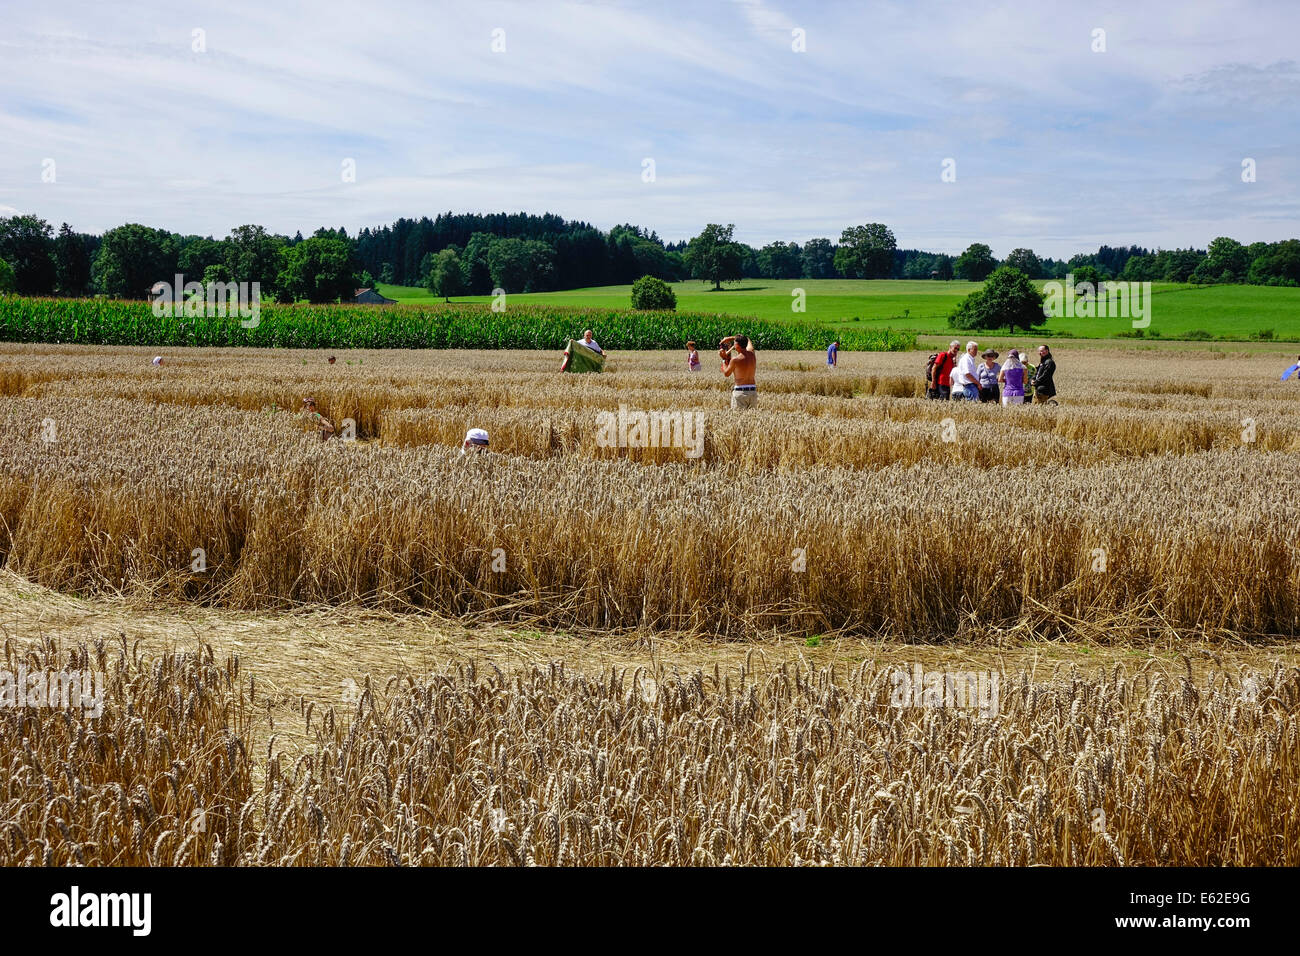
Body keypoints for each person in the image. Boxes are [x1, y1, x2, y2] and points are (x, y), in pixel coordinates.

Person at [719, 334, 757, 410]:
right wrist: (730, 338)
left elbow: (726, 373)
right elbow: (748, 339)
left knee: (739, 417)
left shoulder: (735, 360)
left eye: (734, 343)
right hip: (753, 392)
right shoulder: (752, 354)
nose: (733, 345)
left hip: (740, 392)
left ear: (737, 346)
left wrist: (723, 359)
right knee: (751, 418)